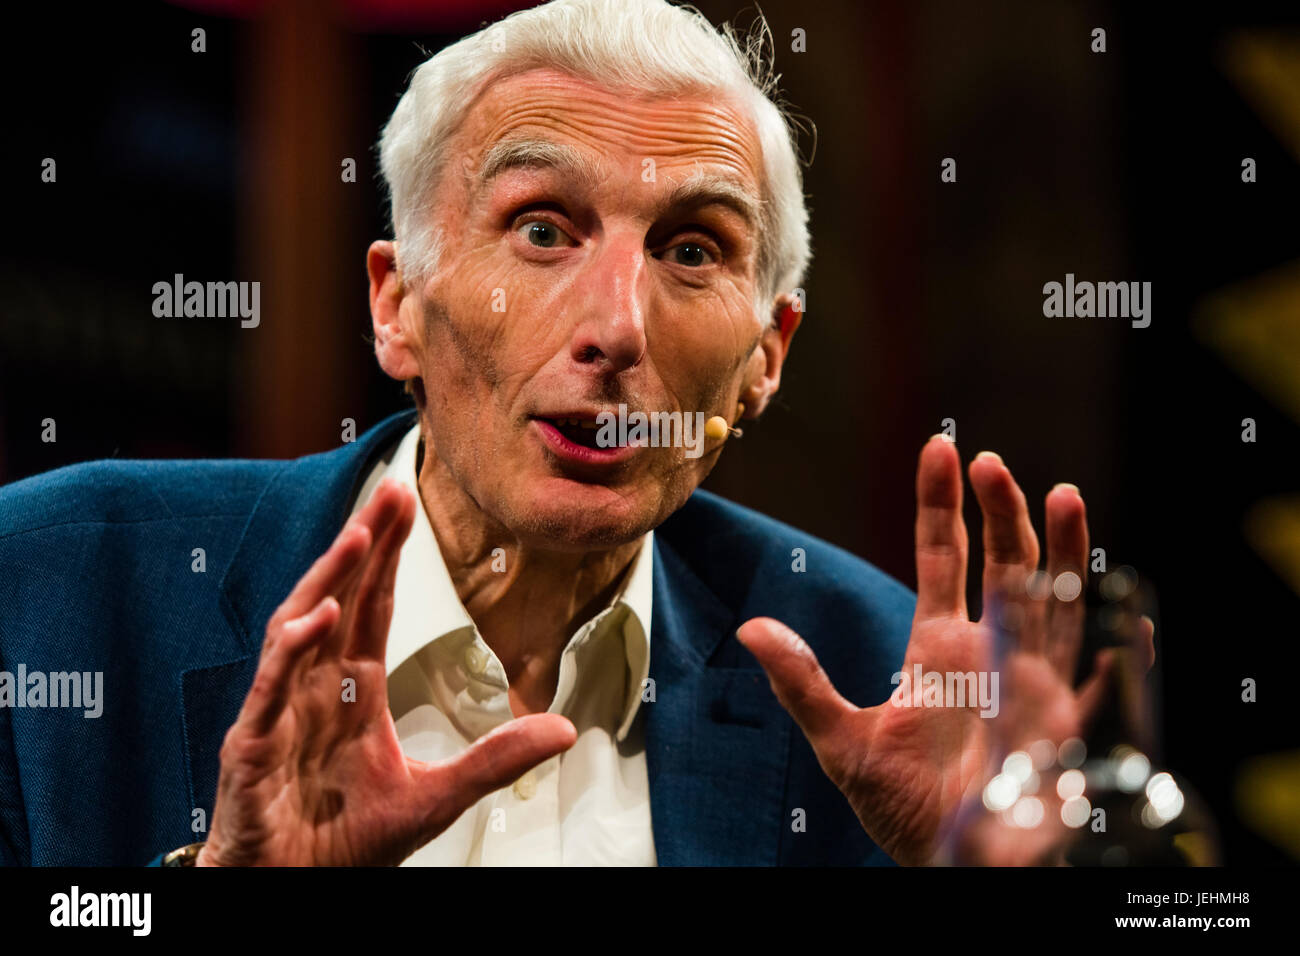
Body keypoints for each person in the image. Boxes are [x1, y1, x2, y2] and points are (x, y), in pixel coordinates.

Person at [0, 0, 1142, 867]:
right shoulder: (46, 587)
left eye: (692, 249)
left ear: (766, 359)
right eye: (543, 229)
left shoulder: (880, 681)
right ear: (397, 303)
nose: (615, 325)